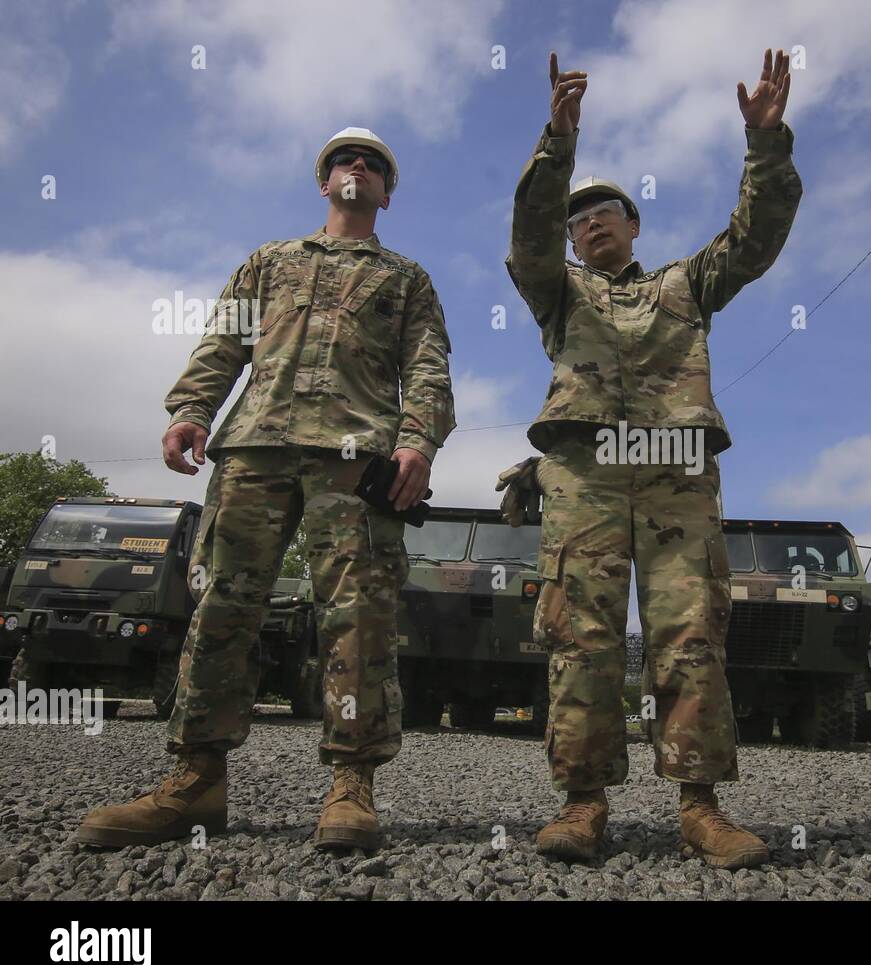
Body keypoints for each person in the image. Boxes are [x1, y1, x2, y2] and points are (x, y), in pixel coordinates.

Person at [76, 127, 456, 852]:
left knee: (357, 616)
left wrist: (418, 439)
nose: (358, 167)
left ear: (387, 191)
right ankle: (196, 782)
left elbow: (429, 364)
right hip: (253, 451)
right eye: (345, 159)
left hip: (356, 460)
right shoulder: (270, 262)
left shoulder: (407, 278)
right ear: (325, 182)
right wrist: (190, 409)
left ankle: (351, 784)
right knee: (222, 604)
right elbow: (222, 341)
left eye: (374, 164)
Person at [504, 49, 802, 869]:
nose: (591, 222)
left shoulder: (683, 284)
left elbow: (756, 237)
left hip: (675, 468)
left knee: (691, 631)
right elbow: (527, 235)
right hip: (587, 472)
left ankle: (701, 806)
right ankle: (583, 801)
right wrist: (556, 144)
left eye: (607, 211)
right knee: (581, 635)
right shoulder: (558, 290)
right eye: (580, 215)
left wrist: (766, 146)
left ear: (635, 226)